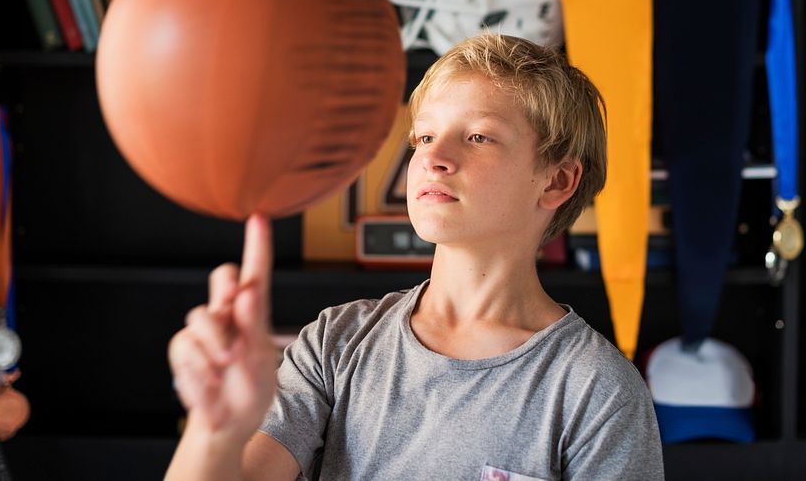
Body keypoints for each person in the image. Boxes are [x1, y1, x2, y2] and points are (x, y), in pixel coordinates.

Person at [165, 33, 665, 480]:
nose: (432, 157)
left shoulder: (596, 390)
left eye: (478, 137)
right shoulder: (336, 345)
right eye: (424, 136)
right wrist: (214, 430)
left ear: (557, 180)